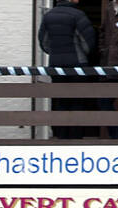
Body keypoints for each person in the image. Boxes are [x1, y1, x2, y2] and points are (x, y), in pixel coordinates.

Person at [39, 0, 96, 139]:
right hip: (77, 65)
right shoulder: (78, 15)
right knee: (77, 101)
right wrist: (83, 55)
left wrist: (55, 54)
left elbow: (44, 42)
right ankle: (75, 136)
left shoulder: (48, 16)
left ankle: (61, 134)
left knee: (60, 100)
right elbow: (88, 42)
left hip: (56, 65)